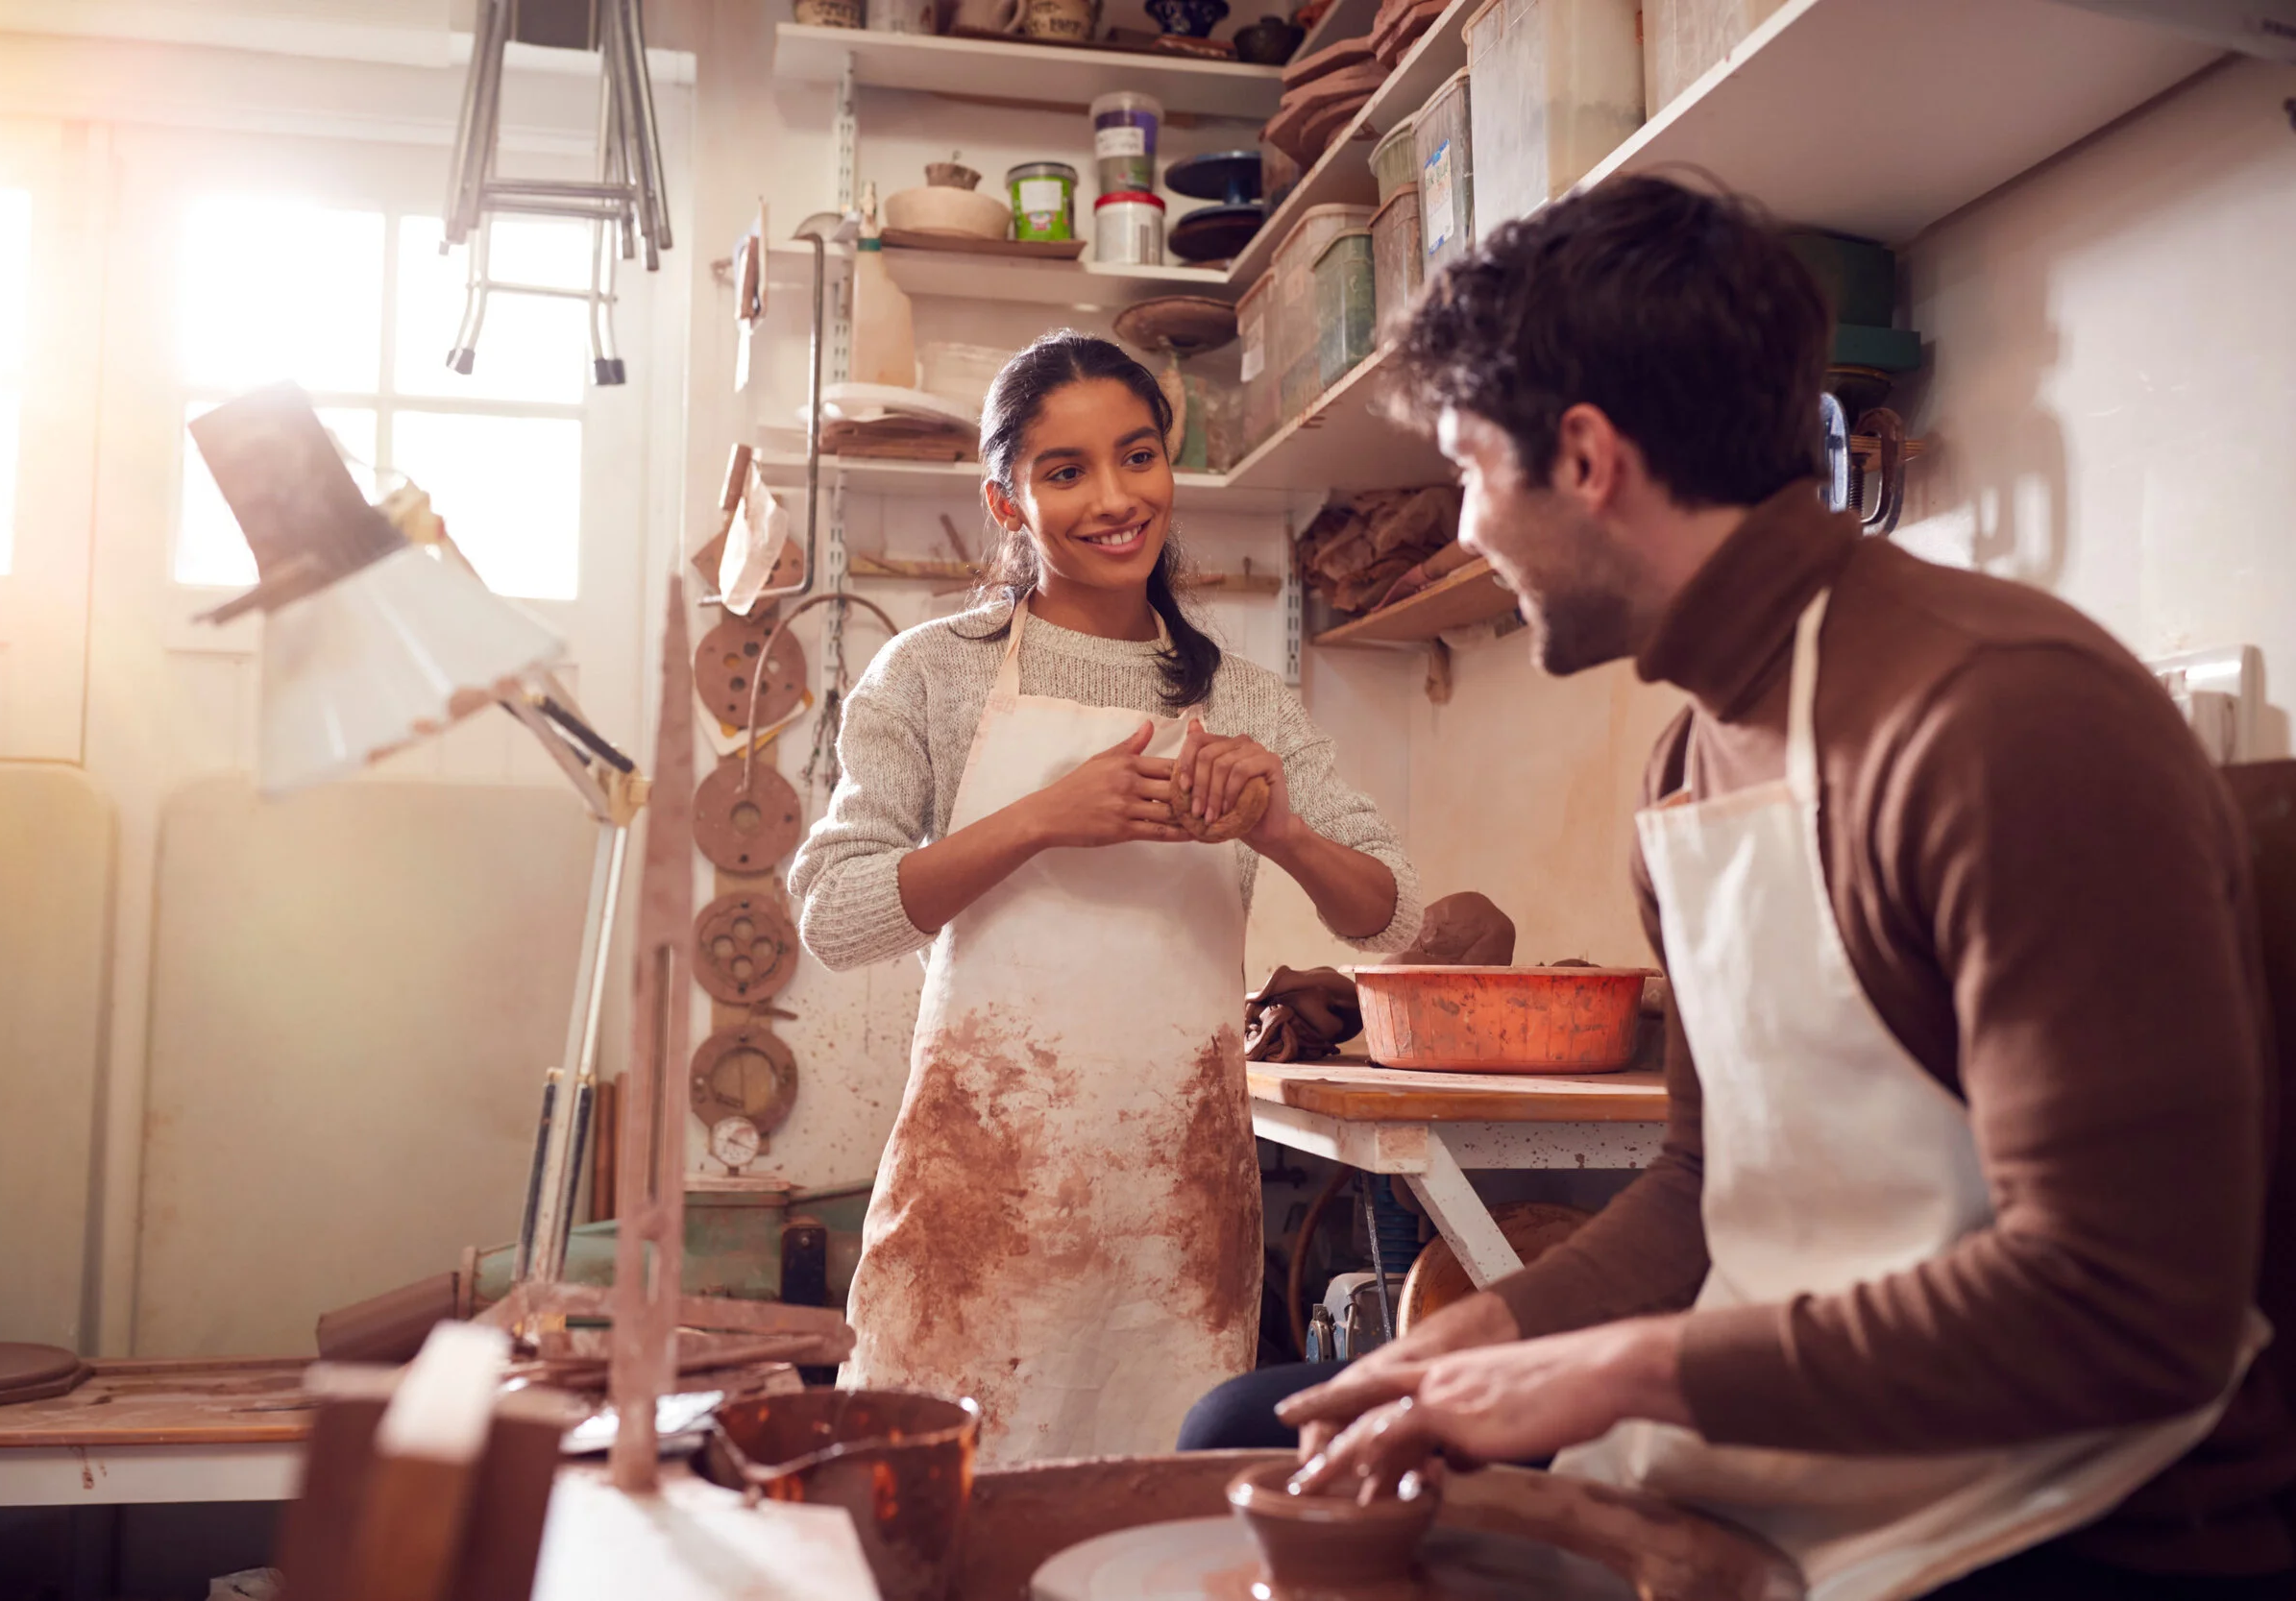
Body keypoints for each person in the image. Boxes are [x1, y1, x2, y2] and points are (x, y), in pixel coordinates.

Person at [1243, 176, 2294, 1599]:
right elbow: (1706, 1184)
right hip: (1806, 1421)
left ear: (1590, 455)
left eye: (1475, 472)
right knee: (1252, 1428)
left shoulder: (2002, 718)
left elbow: (2126, 1306)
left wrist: (1611, 1368)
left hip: (2065, 1494)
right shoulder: (1693, 753)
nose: (1472, 528)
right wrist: (1493, 1330)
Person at [788, 331, 1423, 1466]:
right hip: (976, 1208)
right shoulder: (932, 673)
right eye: (1065, 470)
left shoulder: (1246, 701)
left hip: (1170, 1223)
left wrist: (1279, 829)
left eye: (1138, 456)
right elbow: (835, 916)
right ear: (1005, 499)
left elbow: (1390, 914)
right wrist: (1040, 818)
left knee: (1149, 1537)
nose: (1115, 498)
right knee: (945, 1526)